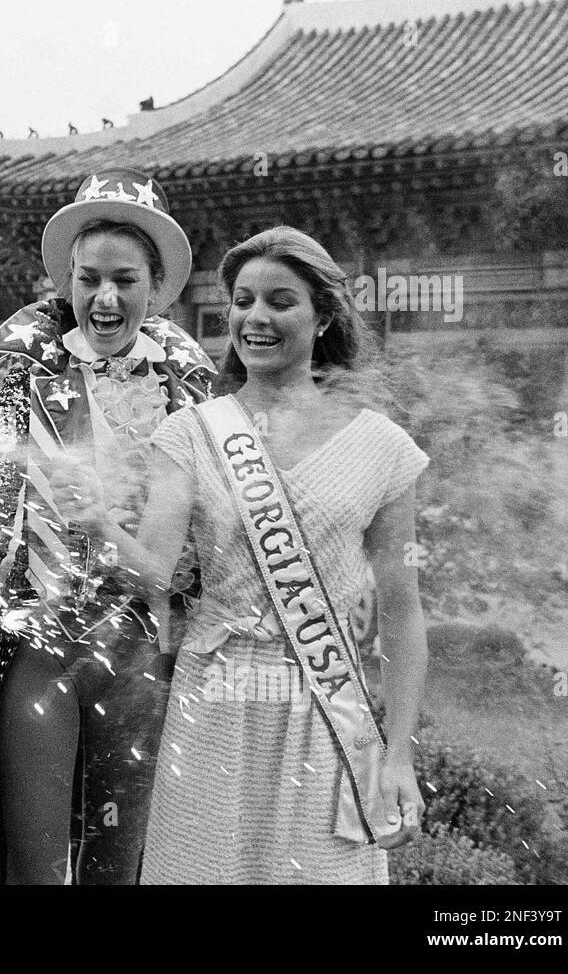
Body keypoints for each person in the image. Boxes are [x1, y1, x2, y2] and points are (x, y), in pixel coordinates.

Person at [67, 225, 429, 883]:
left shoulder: (381, 448)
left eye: (280, 301)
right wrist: (97, 521)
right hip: (213, 709)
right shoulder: (193, 434)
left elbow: (402, 616)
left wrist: (398, 754)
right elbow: (154, 569)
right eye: (241, 299)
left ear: (323, 317)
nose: (254, 317)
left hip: (326, 716)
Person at [0, 168, 216, 884]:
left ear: (155, 286)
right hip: (45, 632)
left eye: (125, 279)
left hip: (145, 643)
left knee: (119, 865)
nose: (104, 298)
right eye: (87, 279)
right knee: (33, 861)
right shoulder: (26, 346)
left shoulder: (186, 369)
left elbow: (207, 531)